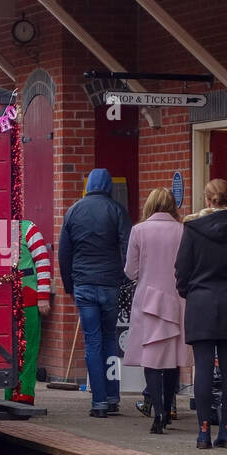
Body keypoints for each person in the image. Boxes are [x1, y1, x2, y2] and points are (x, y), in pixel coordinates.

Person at [175, 178, 227, 449]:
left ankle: (202, 432)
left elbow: (182, 269)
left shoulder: (193, 229)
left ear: (207, 200)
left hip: (200, 302)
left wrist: (190, 291)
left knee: (204, 368)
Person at [58, 167, 132, 418]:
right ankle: (113, 395)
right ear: (109, 186)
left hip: (84, 284)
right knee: (111, 340)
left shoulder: (73, 211)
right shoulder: (117, 210)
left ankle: (98, 400)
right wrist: (124, 278)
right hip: (110, 284)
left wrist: (69, 285)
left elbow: (64, 253)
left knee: (92, 341)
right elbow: (127, 246)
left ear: (88, 185)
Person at [122, 189, 190, 435]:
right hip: (176, 297)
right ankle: (169, 409)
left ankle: (158, 410)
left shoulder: (138, 230)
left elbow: (131, 270)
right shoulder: (183, 230)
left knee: (150, 359)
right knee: (172, 359)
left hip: (148, 298)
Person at [5, 219, 52, 405]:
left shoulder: (29, 229)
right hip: (6, 301)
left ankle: (24, 394)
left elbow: (43, 263)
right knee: (10, 351)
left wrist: (42, 296)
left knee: (28, 348)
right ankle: (10, 395)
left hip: (29, 298)